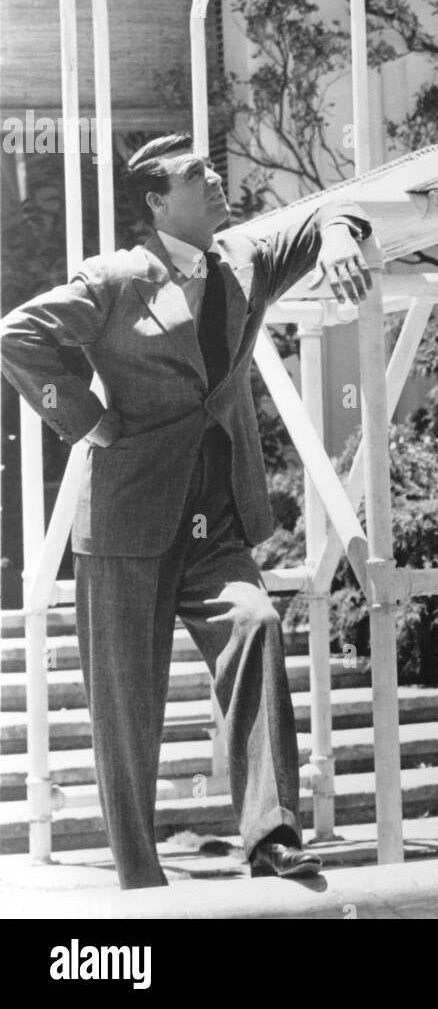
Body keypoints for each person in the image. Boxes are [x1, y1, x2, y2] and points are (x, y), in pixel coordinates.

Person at [0, 134, 373, 889]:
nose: (213, 179)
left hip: (219, 517)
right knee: (126, 710)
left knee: (256, 624)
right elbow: (17, 334)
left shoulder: (246, 258)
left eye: (211, 166)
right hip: (130, 525)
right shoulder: (112, 279)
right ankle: (141, 878)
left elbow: (337, 208)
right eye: (193, 175)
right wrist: (84, 418)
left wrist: (338, 235)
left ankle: (270, 834)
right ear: (156, 203)